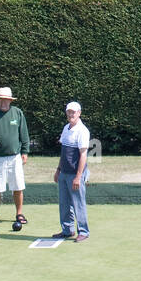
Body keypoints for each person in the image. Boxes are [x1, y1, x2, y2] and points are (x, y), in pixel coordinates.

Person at [0, 86, 30, 227]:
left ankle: (19, 214)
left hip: (15, 157)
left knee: (18, 186)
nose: (3, 102)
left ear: (10, 101)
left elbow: (24, 134)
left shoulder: (18, 113)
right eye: (1, 99)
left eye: (6, 100)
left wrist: (25, 152)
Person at [53, 101, 91, 241]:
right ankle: (67, 230)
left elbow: (83, 155)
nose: (71, 114)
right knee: (64, 203)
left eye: (73, 112)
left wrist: (78, 177)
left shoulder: (82, 131)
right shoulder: (66, 128)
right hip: (64, 172)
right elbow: (64, 152)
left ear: (79, 113)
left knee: (78, 203)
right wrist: (58, 170)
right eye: (69, 112)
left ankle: (84, 231)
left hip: (76, 174)